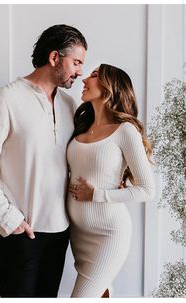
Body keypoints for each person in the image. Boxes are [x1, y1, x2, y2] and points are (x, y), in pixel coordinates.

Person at [0, 24, 87, 298]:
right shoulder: (3, 101)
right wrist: (9, 219)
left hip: (62, 231)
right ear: (54, 57)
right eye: (76, 62)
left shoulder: (70, 105)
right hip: (22, 232)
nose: (80, 72)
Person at [67, 64, 155, 297]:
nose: (85, 79)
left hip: (107, 234)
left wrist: (97, 194)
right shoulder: (80, 127)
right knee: (99, 293)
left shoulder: (125, 131)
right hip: (78, 234)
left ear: (111, 86)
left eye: (94, 75)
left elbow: (147, 190)